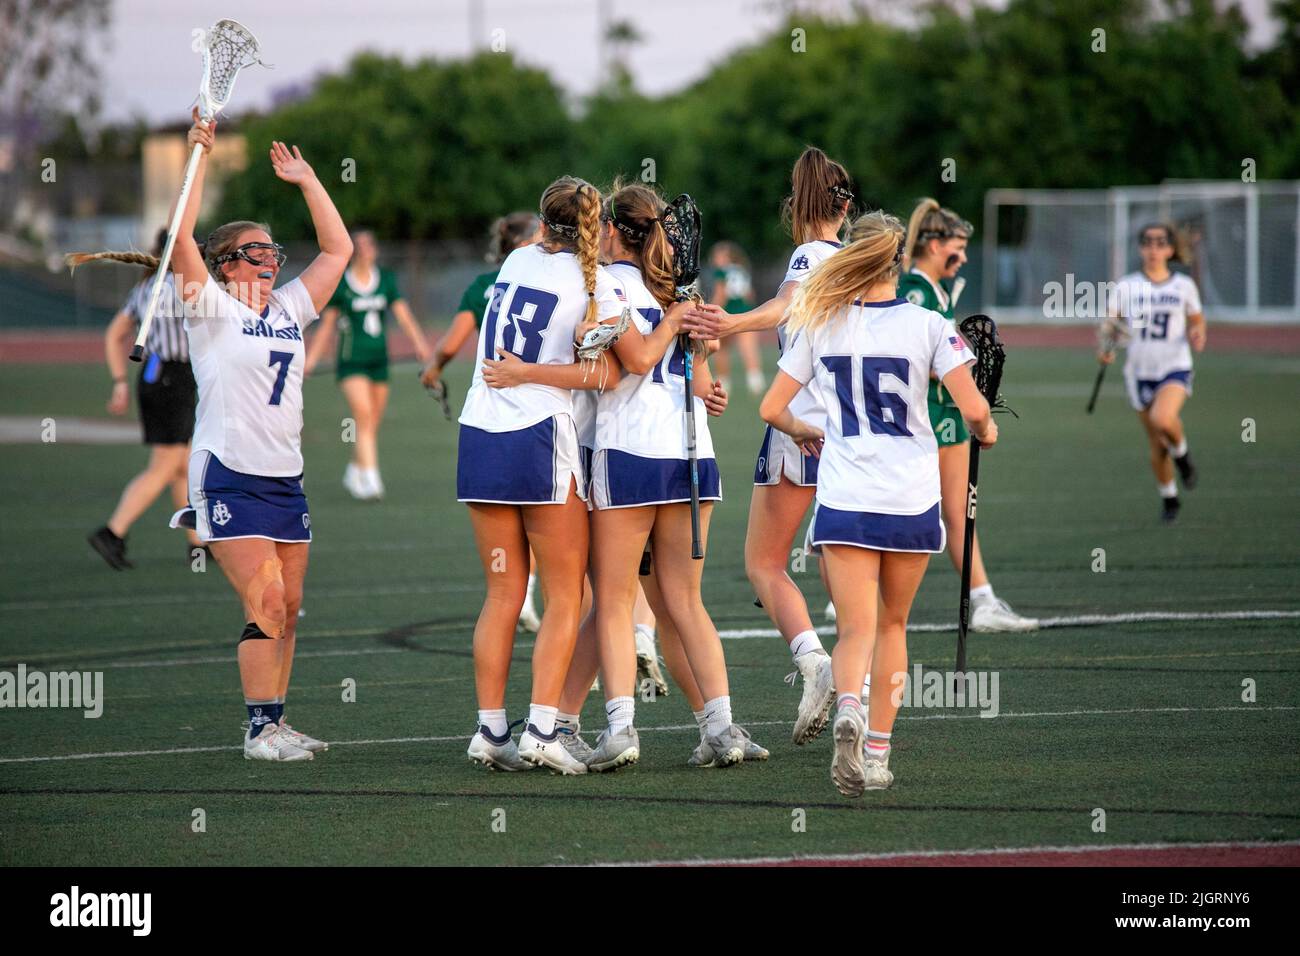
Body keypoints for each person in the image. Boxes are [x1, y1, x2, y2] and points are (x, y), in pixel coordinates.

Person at [759, 210, 996, 795]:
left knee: (855, 629)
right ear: (897, 260)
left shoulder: (821, 323)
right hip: (910, 499)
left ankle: (847, 704)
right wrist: (987, 430)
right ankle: (879, 754)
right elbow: (972, 411)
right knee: (894, 624)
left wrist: (799, 430)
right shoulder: (928, 323)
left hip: (844, 497)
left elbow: (769, 408)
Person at [535, 182, 766, 769]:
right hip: (691, 459)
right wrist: (705, 386)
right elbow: (696, 373)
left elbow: (630, 364)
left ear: (613, 230)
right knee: (684, 602)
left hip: (629, 453)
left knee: (611, 601)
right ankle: (721, 727)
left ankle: (619, 730)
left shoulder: (603, 284)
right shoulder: (675, 291)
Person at [168, 107, 353, 761]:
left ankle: (276, 720)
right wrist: (199, 155)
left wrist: (307, 182)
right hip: (229, 471)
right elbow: (179, 235)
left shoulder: (287, 309)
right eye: (255, 251)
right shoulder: (212, 309)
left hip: (284, 475)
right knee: (266, 597)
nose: (270, 259)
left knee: (290, 605)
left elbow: (339, 251)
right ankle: (256, 731)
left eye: (272, 249)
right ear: (226, 264)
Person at [682, 146, 855, 747]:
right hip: (851, 429)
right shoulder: (858, 259)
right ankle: (861, 699)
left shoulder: (809, 253)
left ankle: (816, 666)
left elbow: (789, 303)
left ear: (797, 204)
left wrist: (728, 324)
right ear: (847, 204)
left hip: (798, 421)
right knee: (847, 572)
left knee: (763, 563)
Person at [457, 175, 625, 774]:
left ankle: (490, 731)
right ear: (596, 224)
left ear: (539, 222)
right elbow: (604, 377)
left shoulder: (516, 260)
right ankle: (543, 729)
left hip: (478, 433)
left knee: (503, 592)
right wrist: (536, 372)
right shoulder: (599, 284)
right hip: (539, 437)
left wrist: (527, 369)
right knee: (567, 594)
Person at [898, 198, 1037, 631]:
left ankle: (982, 599)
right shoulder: (916, 291)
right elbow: (918, 358)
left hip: (943, 409)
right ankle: (983, 602)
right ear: (934, 245)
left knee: (948, 508)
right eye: (957, 247)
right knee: (950, 510)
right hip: (933, 411)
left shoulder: (936, 289)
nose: (963, 257)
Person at [422, 212, 548, 630]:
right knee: (568, 563)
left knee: (500, 577)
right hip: (546, 415)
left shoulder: (484, 286)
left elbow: (454, 342)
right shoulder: (563, 276)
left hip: (487, 420)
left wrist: (433, 369)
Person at [73, 228, 202, 568]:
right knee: (164, 466)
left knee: (181, 465)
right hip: (174, 378)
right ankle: (113, 532)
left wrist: (119, 380)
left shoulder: (145, 287)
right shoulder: (182, 288)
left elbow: (115, 334)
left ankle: (197, 544)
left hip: (155, 375)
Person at [304, 230, 431, 500]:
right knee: (361, 414)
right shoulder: (343, 284)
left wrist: (420, 344)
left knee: (372, 421)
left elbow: (402, 314)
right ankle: (372, 477)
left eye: (369, 244)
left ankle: (354, 469)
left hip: (379, 360)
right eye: (359, 245)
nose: (365, 249)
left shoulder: (385, 279)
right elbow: (327, 326)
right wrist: (311, 360)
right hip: (351, 360)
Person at [1099, 222, 1206, 522]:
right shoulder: (1126, 285)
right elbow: (1111, 325)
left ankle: (1183, 455)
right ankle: (1170, 496)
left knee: (1163, 418)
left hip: (1174, 366)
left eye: (1160, 243)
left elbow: (1197, 320)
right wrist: (1106, 346)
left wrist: (1198, 333)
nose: (1153, 249)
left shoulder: (1183, 286)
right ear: (1140, 247)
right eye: (1147, 242)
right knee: (1157, 443)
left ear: (1171, 249)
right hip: (1139, 371)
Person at [707, 241, 763, 395]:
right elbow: (749, 294)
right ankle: (755, 381)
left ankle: (724, 381)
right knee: (749, 348)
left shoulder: (721, 272)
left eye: (718, 255)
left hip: (727, 313)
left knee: (722, 349)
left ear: (726, 257)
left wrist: (710, 311)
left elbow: (721, 295)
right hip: (745, 312)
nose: (715, 258)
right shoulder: (741, 270)